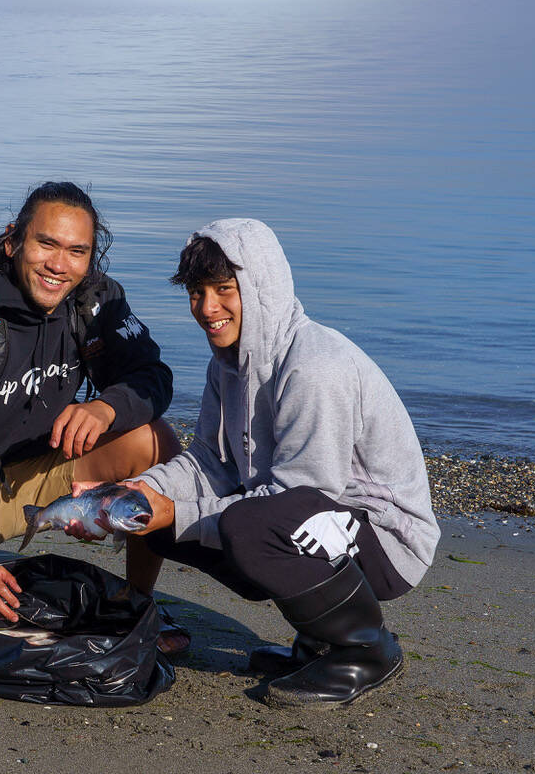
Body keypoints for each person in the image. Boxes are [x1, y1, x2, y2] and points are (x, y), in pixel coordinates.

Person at [85, 218, 439, 708]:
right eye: (196, 292)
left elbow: (308, 493)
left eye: (224, 289)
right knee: (149, 513)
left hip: (383, 539)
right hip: (310, 517)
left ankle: (365, 649)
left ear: (261, 286)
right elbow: (210, 460)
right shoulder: (225, 364)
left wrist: (179, 513)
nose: (207, 309)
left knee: (247, 525)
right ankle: (316, 641)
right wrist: (137, 493)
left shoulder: (316, 365)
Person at [0, 182, 182, 642]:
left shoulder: (93, 301)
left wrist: (106, 408)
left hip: (51, 465)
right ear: (13, 240)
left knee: (154, 440)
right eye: (46, 244)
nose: (59, 266)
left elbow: (153, 376)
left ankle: (135, 604)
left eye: (77, 251)